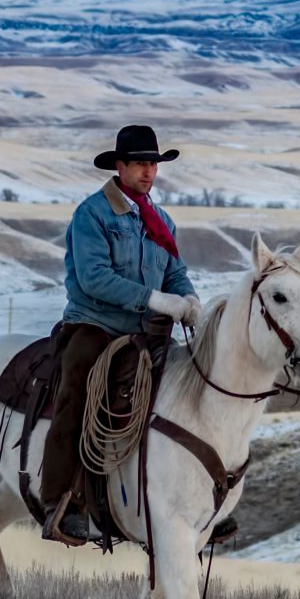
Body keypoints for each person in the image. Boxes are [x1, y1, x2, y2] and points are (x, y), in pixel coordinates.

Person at [39, 124, 201, 545]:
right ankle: (59, 503)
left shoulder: (160, 220)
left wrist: (188, 298)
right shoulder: (92, 214)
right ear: (120, 166)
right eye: (141, 164)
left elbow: (176, 272)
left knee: (190, 389)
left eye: (153, 164)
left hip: (146, 331)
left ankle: (189, 499)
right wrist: (153, 299)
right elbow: (93, 279)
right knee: (77, 387)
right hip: (95, 325)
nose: (149, 172)